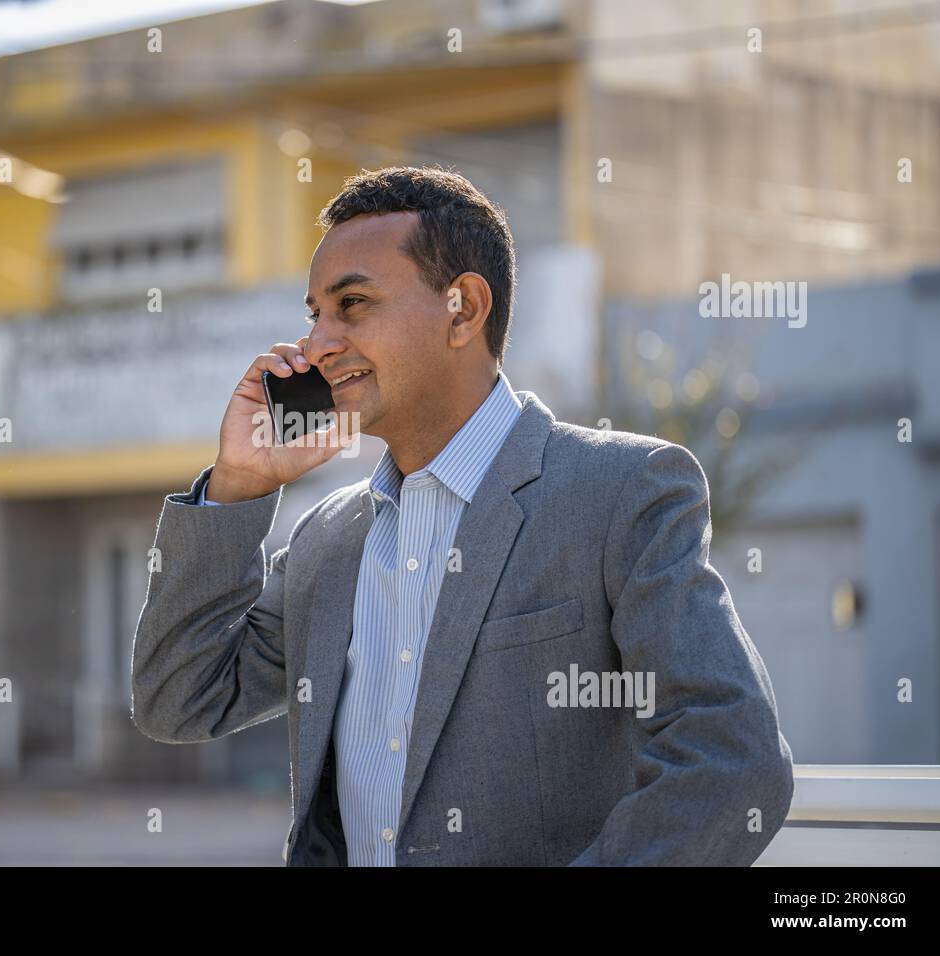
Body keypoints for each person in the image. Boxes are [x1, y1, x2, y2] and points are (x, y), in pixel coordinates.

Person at [131, 165, 795, 866]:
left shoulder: (622, 492)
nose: (317, 344)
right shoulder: (327, 538)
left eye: (352, 304)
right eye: (314, 314)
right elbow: (179, 700)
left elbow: (732, 761)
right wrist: (238, 485)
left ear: (463, 309)